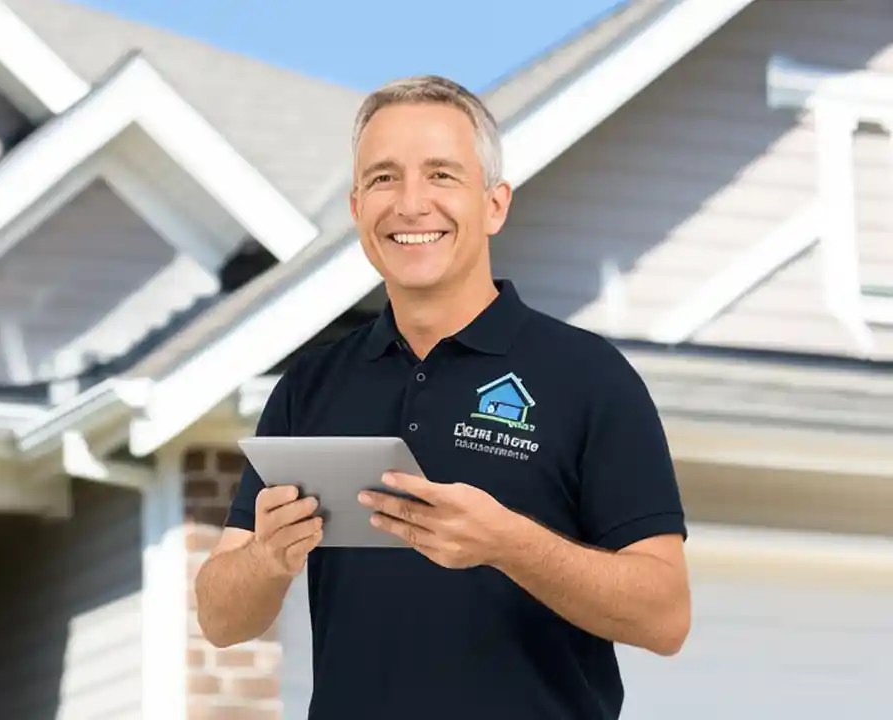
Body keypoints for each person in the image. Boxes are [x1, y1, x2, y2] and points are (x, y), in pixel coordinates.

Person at [194, 75, 691, 719]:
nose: (409, 204)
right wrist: (268, 556)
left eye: (441, 175)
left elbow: (666, 615)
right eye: (382, 179)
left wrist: (508, 543)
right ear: (355, 209)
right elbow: (219, 617)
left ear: (494, 204)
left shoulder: (589, 376)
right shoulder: (309, 388)